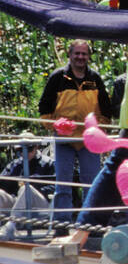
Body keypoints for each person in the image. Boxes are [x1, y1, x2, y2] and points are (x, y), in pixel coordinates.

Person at [38, 39, 113, 224]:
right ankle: (61, 222)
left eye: (84, 54)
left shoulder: (95, 78)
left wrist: (98, 127)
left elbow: (106, 110)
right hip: (64, 138)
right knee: (63, 183)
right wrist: (55, 124)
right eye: (77, 53)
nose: (80, 57)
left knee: (92, 183)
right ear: (70, 55)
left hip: (89, 140)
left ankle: (89, 222)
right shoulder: (58, 77)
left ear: (88, 56)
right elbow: (44, 108)